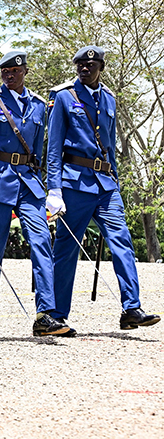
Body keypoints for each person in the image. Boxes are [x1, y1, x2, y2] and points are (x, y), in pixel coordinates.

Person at [46, 45, 160, 334]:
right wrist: (54, 189)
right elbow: (54, 146)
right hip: (74, 182)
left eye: (91, 66)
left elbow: (109, 145)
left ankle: (131, 308)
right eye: (81, 66)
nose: (85, 69)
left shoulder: (109, 98)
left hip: (106, 185)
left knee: (122, 241)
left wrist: (117, 181)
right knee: (66, 249)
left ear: (101, 68)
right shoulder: (64, 97)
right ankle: (57, 314)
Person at [0, 51, 69, 339]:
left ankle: (45, 315)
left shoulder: (38, 105)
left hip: (29, 184)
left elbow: (41, 151)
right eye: (4, 71)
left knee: (42, 242)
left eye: (14, 71)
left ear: (25, 72)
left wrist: (50, 188)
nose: (9, 75)